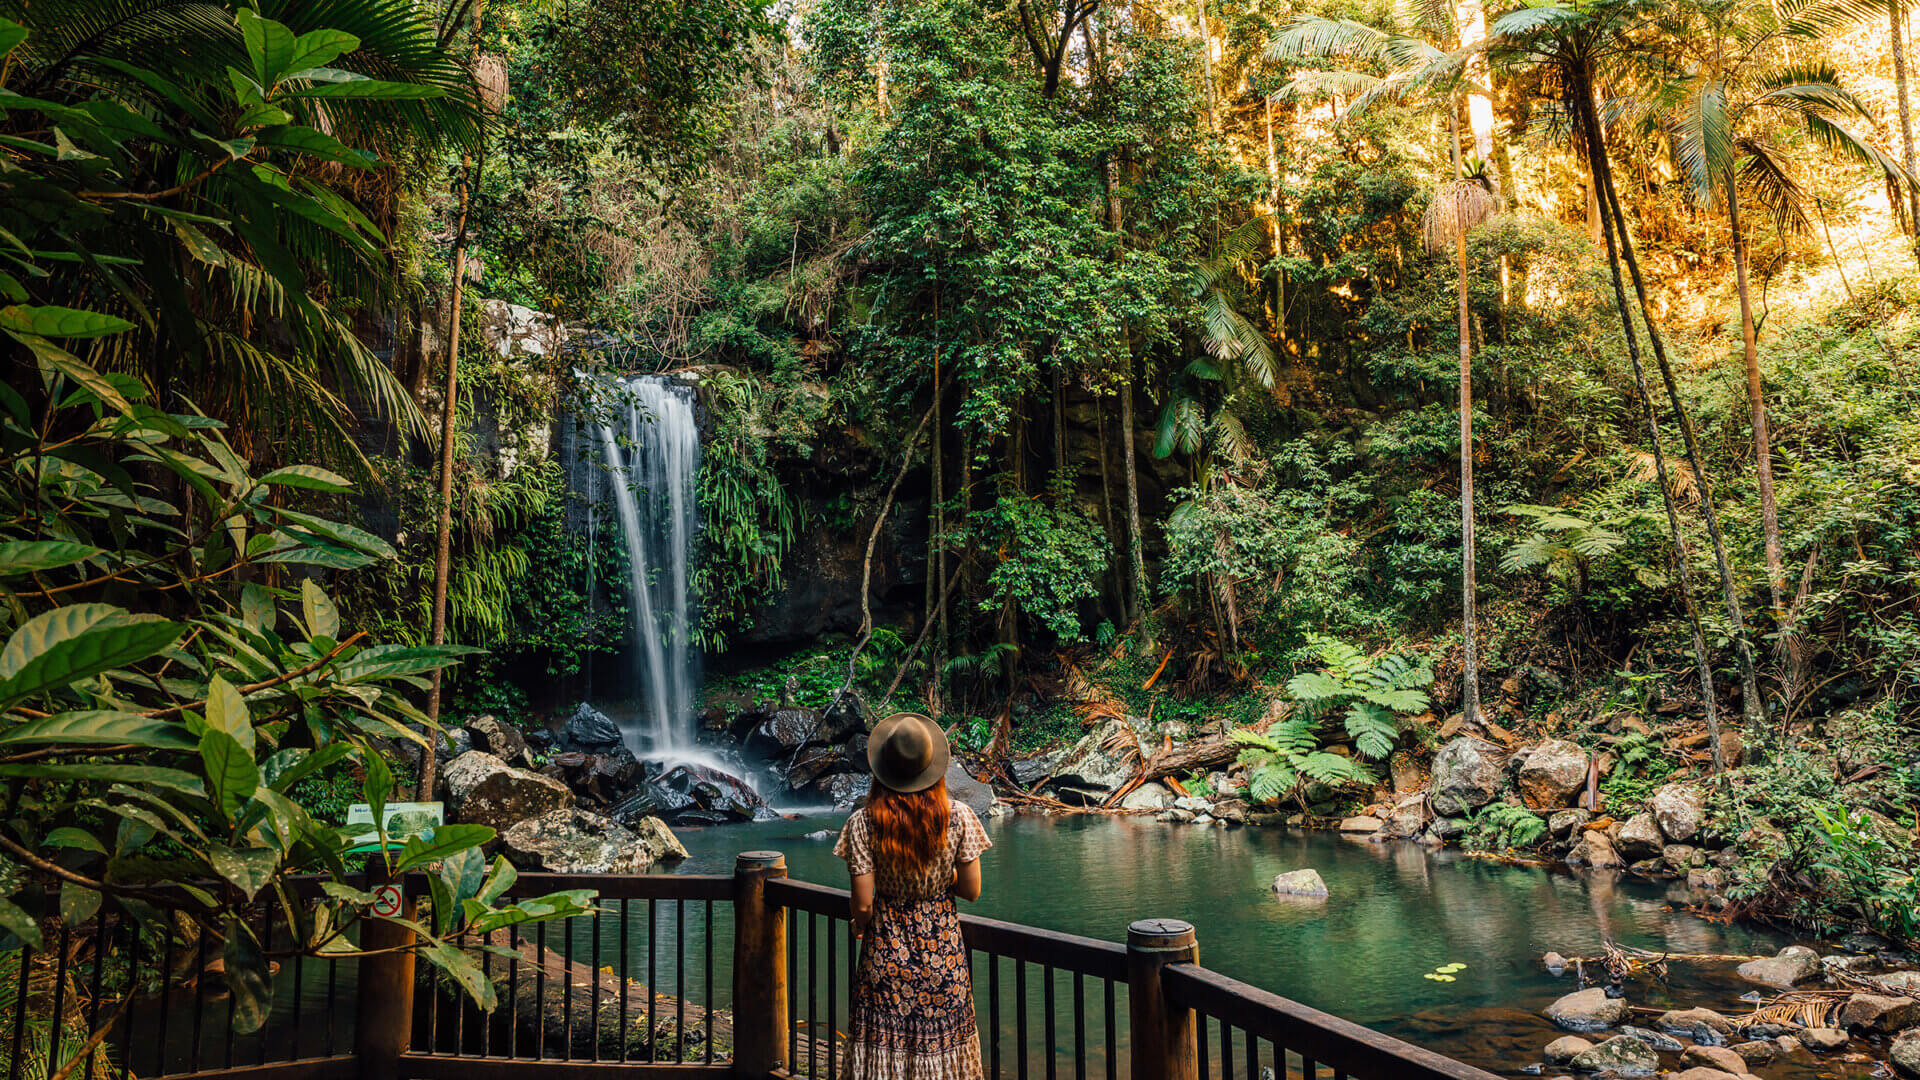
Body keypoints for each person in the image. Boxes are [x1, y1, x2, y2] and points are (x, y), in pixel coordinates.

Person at [835, 712, 992, 1080]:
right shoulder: (959, 817)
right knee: (944, 1052)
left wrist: (860, 924)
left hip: (884, 956)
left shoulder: (863, 822)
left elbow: (863, 903)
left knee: (883, 1052)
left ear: (882, 770)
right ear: (933, 770)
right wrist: (940, 877)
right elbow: (971, 891)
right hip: (943, 958)